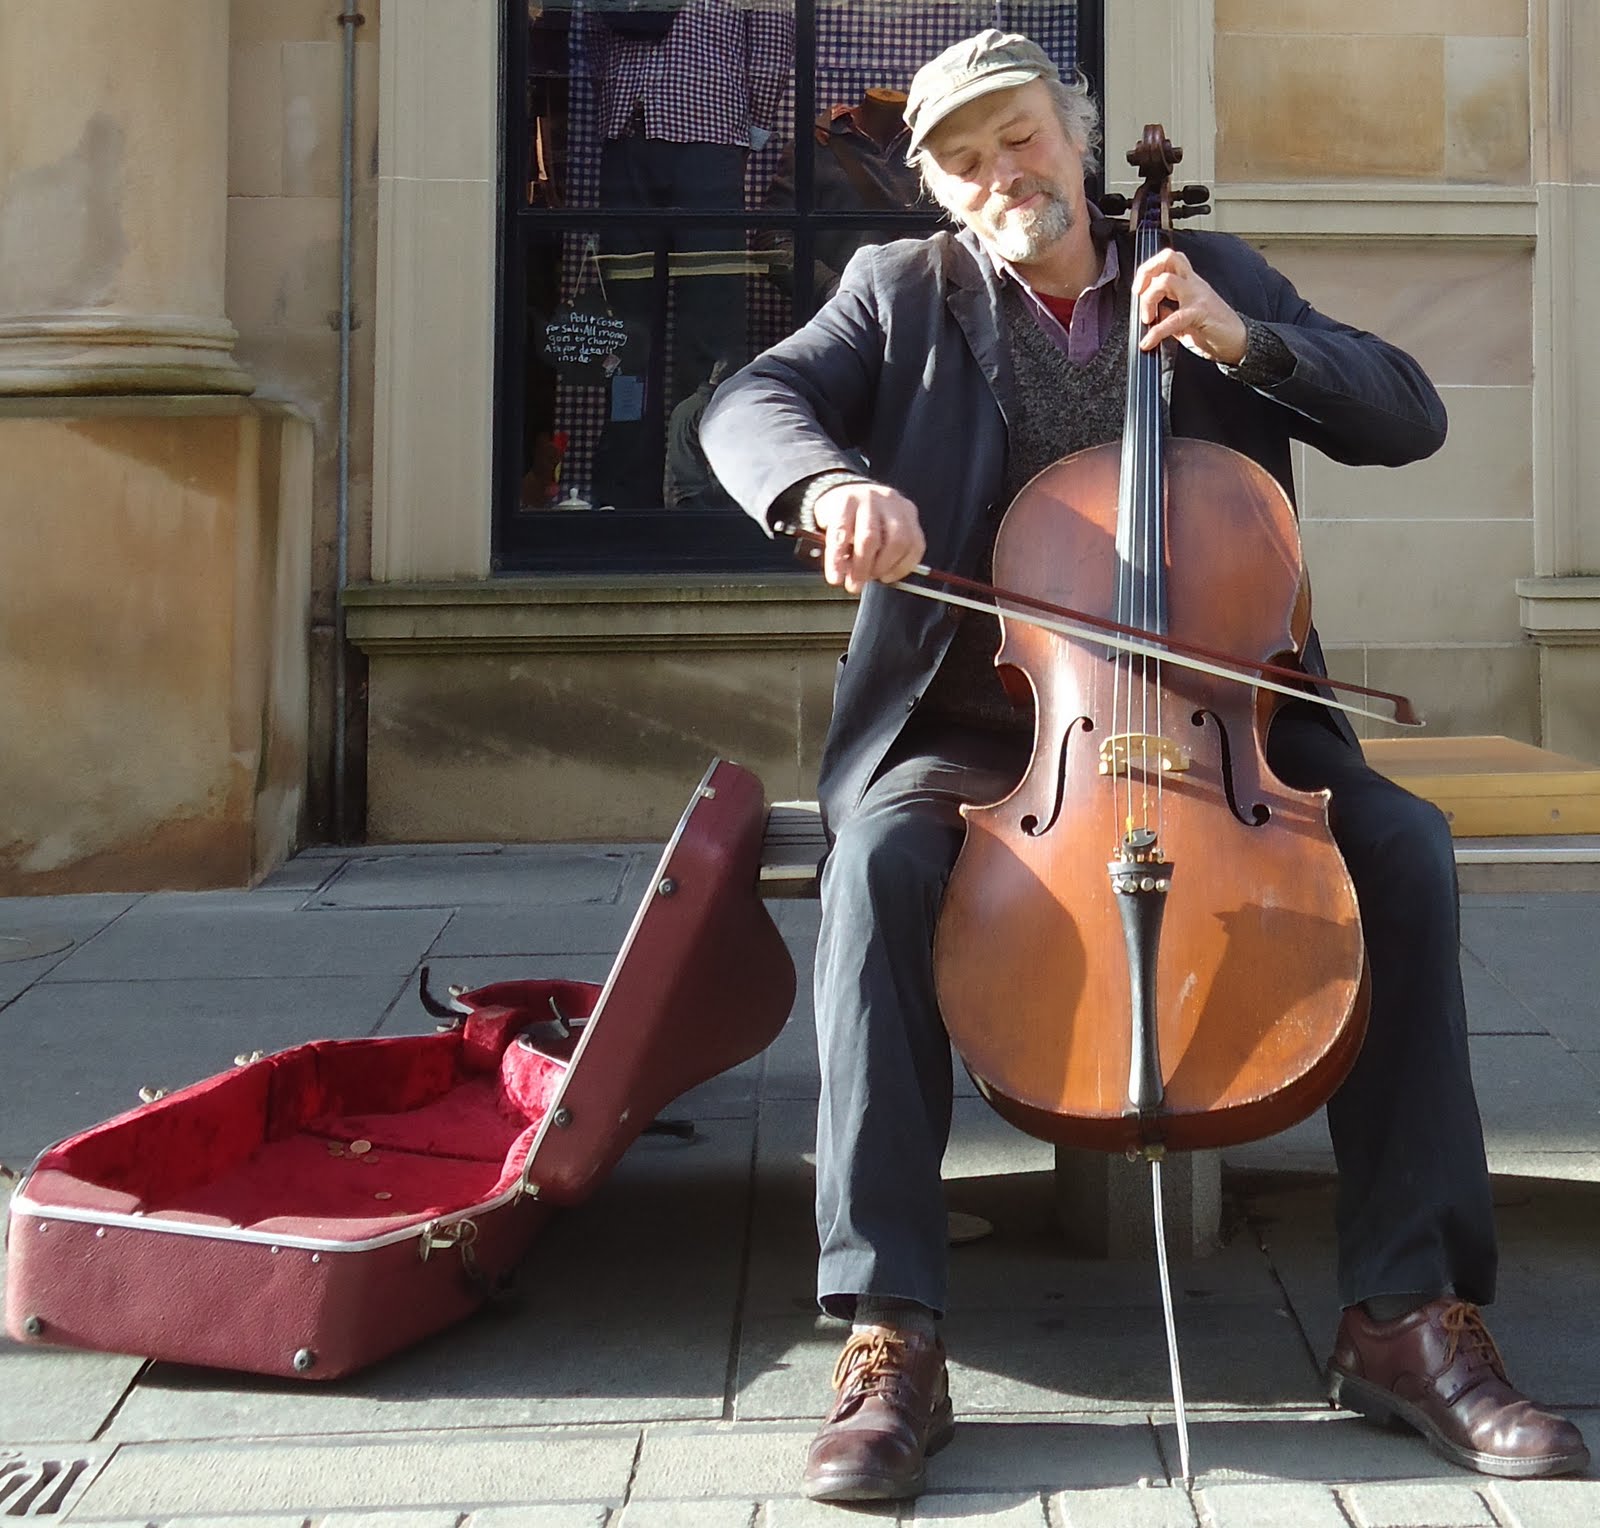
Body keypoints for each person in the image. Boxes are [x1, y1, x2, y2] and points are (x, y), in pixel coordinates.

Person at [699, 28, 1591, 1506]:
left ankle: (1405, 1311)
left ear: (1079, 137)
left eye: (1024, 139)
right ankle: (890, 1326)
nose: (1006, 176)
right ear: (936, 188)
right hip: (984, 726)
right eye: (967, 159)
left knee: (1404, 849)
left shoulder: (1215, 272)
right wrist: (831, 485)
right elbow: (744, 406)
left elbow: (1410, 414)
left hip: (1231, 710)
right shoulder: (899, 296)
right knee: (882, 868)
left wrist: (1259, 349)